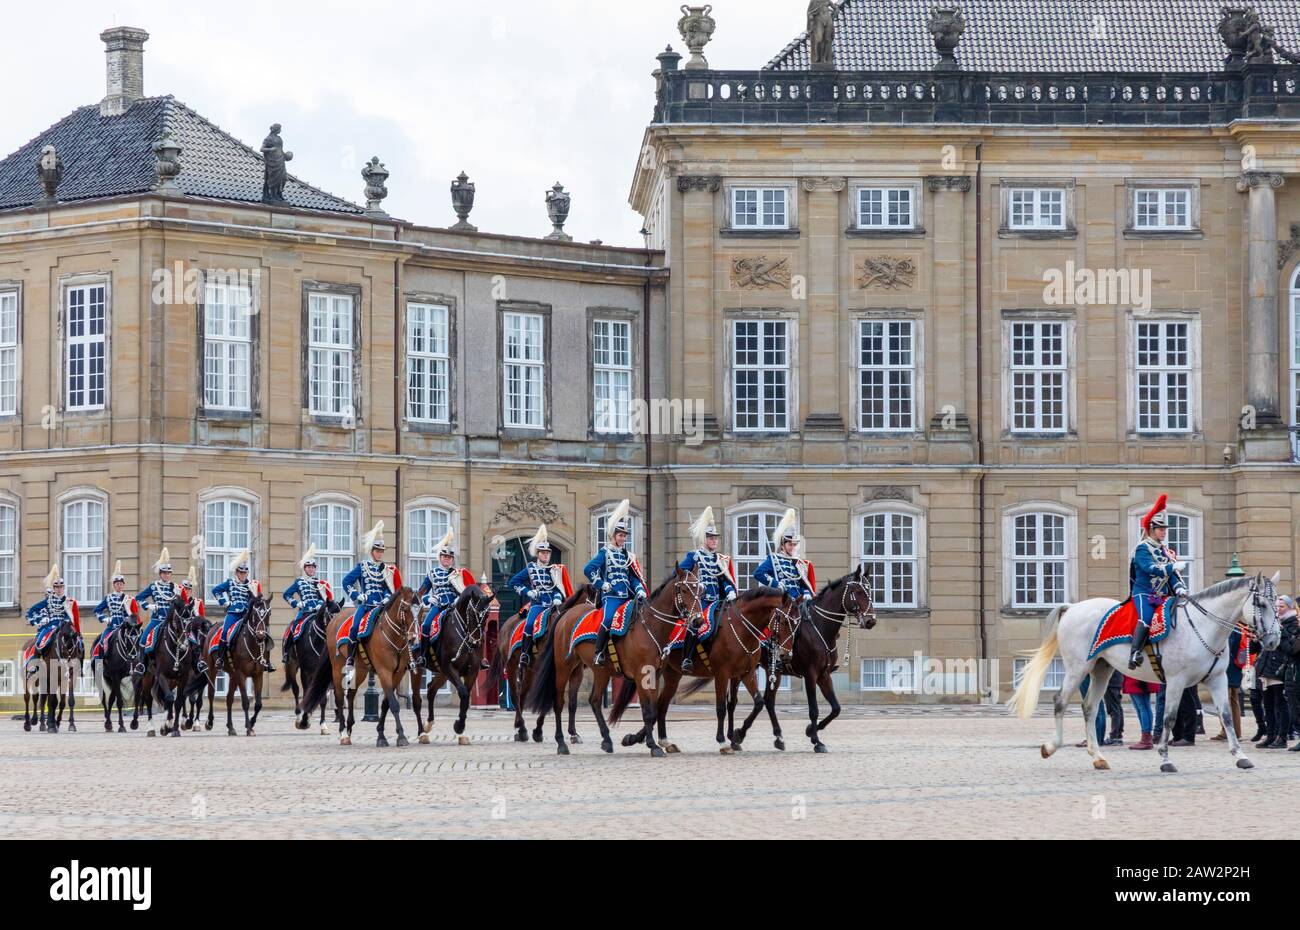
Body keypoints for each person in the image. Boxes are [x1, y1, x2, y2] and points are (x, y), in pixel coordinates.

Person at [1127, 495, 1188, 671]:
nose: (1164, 531)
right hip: (1144, 592)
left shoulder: (1165, 551)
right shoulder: (1142, 549)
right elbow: (1150, 568)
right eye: (1160, 528)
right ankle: (1134, 653)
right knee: (1146, 619)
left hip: (1163, 595)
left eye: (1164, 529)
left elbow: (1173, 574)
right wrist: (1172, 567)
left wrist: (1179, 587)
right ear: (1151, 529)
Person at [583, 500, 646, 667]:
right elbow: (589, 569)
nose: (623, 538)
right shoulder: (605, 552)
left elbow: (632, 577)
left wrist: (639, 589)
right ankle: (598, 652)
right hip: (611, 596)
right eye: (620, 535)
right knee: (609, 618)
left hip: (628, 596)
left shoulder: (628, 556)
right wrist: (601, 584)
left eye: (624, 536)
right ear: (612, 535)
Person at [340, 522, 401, 685]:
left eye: (381, 552)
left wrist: (387, 598)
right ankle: (351, 659)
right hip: (366, 606)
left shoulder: (386, 570)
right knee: (354, 627)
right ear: (371, 551)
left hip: (382, 607)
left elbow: (390, 589)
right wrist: (358, 596)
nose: (380, 554)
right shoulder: (362, 566)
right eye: (377, 551)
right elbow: (346, 582)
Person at [677, 507, 737, 672]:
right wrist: (696, 583)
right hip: (701, 601)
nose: (714, 541)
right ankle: (687, 659)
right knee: (694, 624)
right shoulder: (694, 556)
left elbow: (723, 579)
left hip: (718, 601)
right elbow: (681, 575)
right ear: (704, 539)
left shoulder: (720, 559)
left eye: (715, 538)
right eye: (711, 538)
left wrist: (730, 589)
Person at [509, 524, 572, 668]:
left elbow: (558, 587)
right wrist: (527, 592)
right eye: (543, 553)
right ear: (538, 554)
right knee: (529, 624)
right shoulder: (531, 568)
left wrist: (557, 596)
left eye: (548, 553)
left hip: (554, 605)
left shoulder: (554, 569)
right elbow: (513, 582)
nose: (546, 555)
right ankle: (525, 653)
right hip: (538, 605)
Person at [753, 508, 817, 645]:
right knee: (775, 626)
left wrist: (806, 593)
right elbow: (758, 573)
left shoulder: (800, 563)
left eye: (794, 544)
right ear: (783, 545)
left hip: (799, 602)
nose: (792, 547)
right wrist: (776, 584)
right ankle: (768, 648)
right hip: (782, 601)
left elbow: (804, 583)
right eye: (789, 544)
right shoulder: (774, 559)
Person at [414, 527, 476, 666]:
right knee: (425, 625)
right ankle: (423, 656)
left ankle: (477, 657)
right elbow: (420, 594)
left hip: (456, 607)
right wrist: (428, 599)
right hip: (439, 606)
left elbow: (464, 592)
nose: (447, 560)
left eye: (449, 557)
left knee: (473, 624)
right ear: (440, 558)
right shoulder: (432, 574)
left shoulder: (457, 573)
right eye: (445, 557)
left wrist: (457, 599)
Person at [210, 548, 271, 673]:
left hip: (248, 614)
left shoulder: (252, 585)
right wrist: (225, 602)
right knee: (225, 632)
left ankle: (266, 661)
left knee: (263, 632)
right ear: (236, 573)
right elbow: (215, 590)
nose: (243, 575)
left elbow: (258, 599)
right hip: (234, 613)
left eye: (245, 573)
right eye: (241, 573)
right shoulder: (230, 583)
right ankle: (220, 659)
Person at [282, 545, 333, 665]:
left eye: (312, 567)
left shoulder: (319, 583)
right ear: (305, 569)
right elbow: (286, 594)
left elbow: (324, 598)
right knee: (294, 628)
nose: (311, 570)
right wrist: (297, 603)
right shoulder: (299, 582)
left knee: (330, 627)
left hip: (318, 612)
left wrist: (320, 604)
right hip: (304, 612)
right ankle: (287, 652)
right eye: (308, 567)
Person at [1256, 595, 1295, 749]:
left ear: (1290, 608)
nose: (1278, 609)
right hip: (1266, 668)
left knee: (1281, 705)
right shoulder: (1271, 623)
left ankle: (1282, 737)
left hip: (1280, 668)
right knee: (1268, 705)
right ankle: (1270, 735)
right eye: (1277, 607)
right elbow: (1263, 648)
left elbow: (1289, 648)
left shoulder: (1292, 624)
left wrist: (1279, 632)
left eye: (1282, 606)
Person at [26, 566, 81, 665]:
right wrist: (38, 621)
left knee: (79, 642)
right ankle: (34, 664)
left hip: (64, 626)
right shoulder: (48, 601)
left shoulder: (68, 601)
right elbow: (31, 611)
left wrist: (68, 621)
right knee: (39, 642)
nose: (59, 589)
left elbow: (71, 616)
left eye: (61, 587)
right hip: (50, 627)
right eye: (57, 587)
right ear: (54, 588)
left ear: (63, 587)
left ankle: (79, 664)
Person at [136, 548, 177, 676]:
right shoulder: (154, 587)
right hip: (157, 619)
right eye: (164, 573)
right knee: (143, 639)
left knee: (187, 638)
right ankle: (142, 664)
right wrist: (149, 606)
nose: (166, 575)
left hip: (171, 621)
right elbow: (139, 597)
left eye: (168, 573)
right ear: (160, 574)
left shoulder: (175, 587)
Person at [91, 561, 138, 671]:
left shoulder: (129, 599)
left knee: (135, 642)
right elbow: (97, 610)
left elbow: (134, 616)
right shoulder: (108, 598)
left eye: (121, 584)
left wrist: (128, 613)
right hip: (111, 627)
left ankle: (137, 666)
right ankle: (99, 665)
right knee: (102, 642)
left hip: (124, 628)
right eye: (117, 584)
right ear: (114, 585)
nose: (119, 586)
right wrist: (104, 618)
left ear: (123, 585)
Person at [1124, 676, 1162, 750]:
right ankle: (1146, 737)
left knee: (1143, 707)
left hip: (1137, 679)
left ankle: (1146, 738)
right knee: (1141, 707)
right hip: (1136, 679)